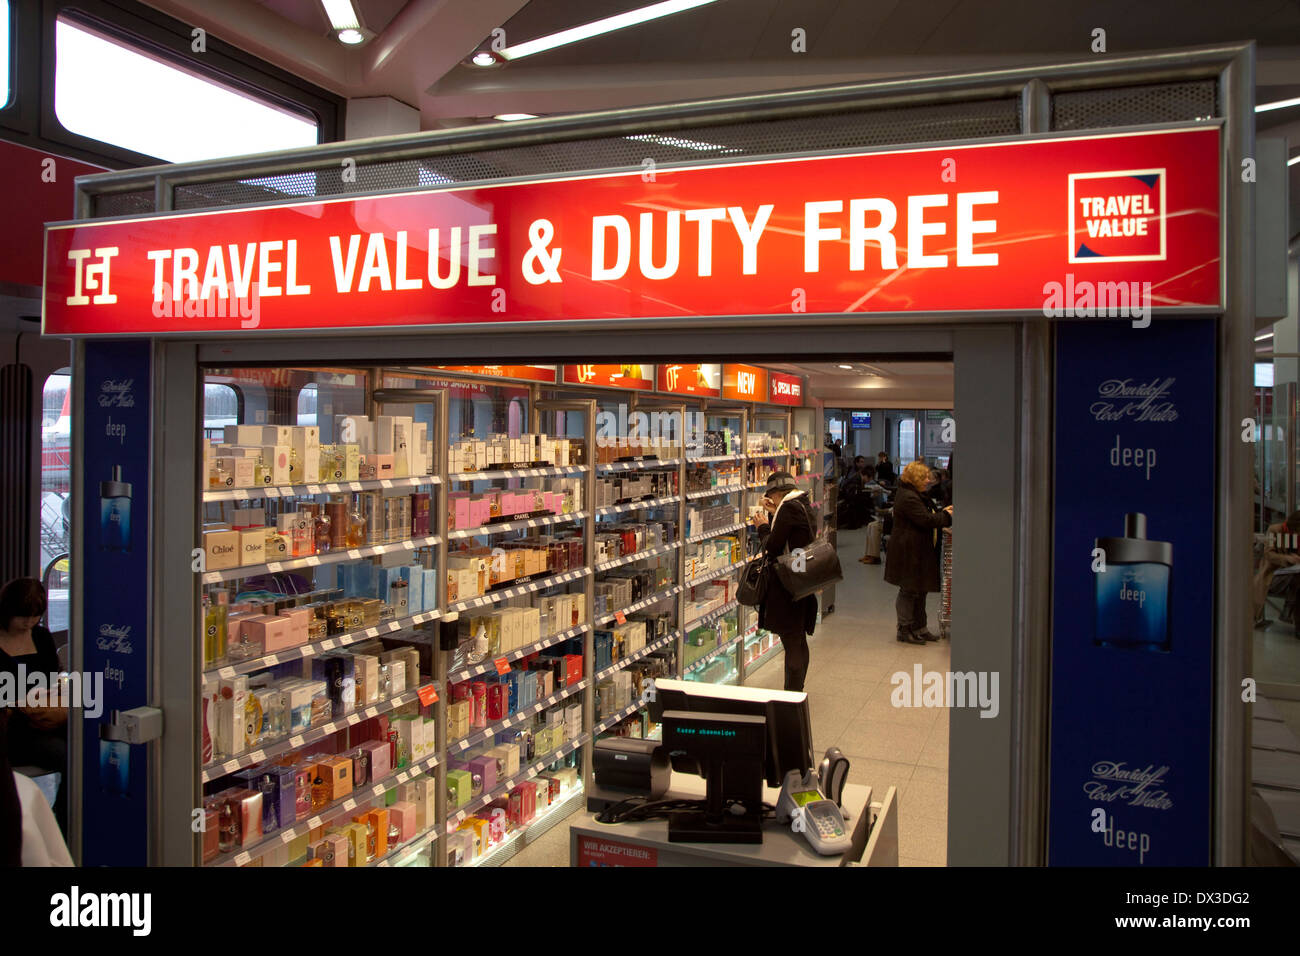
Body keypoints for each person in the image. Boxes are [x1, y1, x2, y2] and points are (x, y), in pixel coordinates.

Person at [0, 579, 67, 831]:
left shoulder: (40, 636)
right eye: (23, 617)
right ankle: (57, 828)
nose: (28, 623)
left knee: (86, 745)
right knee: (65, 754)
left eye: (34, 617)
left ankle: (66, 821)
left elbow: (53, 678)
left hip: (43, 716)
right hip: (13, 728)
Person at [750, 471, 818, 691]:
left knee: (791, 640)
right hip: (802, 580)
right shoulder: (801, 504)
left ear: (777, 493)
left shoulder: (788, 509)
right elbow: (790, 536)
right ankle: (797, 689)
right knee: (798, 638)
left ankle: (792, 693)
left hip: (788, 586)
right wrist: (774, 513)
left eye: (772, 498)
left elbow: (773, 546)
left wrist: (762, 526)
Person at [884, 462, 953, 644]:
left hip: (916, 550)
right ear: (914, 479)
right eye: (924, 478)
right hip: (909, 551)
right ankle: (904, 629)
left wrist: (942, 514)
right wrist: (947, 516)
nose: (928, 480)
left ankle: (919, 628)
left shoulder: (915, 494)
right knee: (909, 590)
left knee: (920, 590)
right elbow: (925, 519)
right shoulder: (908, 497)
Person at [1253, 512, 1300, 627]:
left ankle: (1290, 614)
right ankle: (1288, 611)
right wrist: (1287, 558)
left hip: (1291, 572)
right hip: (1273, 574)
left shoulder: (1296, 535)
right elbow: (1269, 554)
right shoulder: (1275, 530)